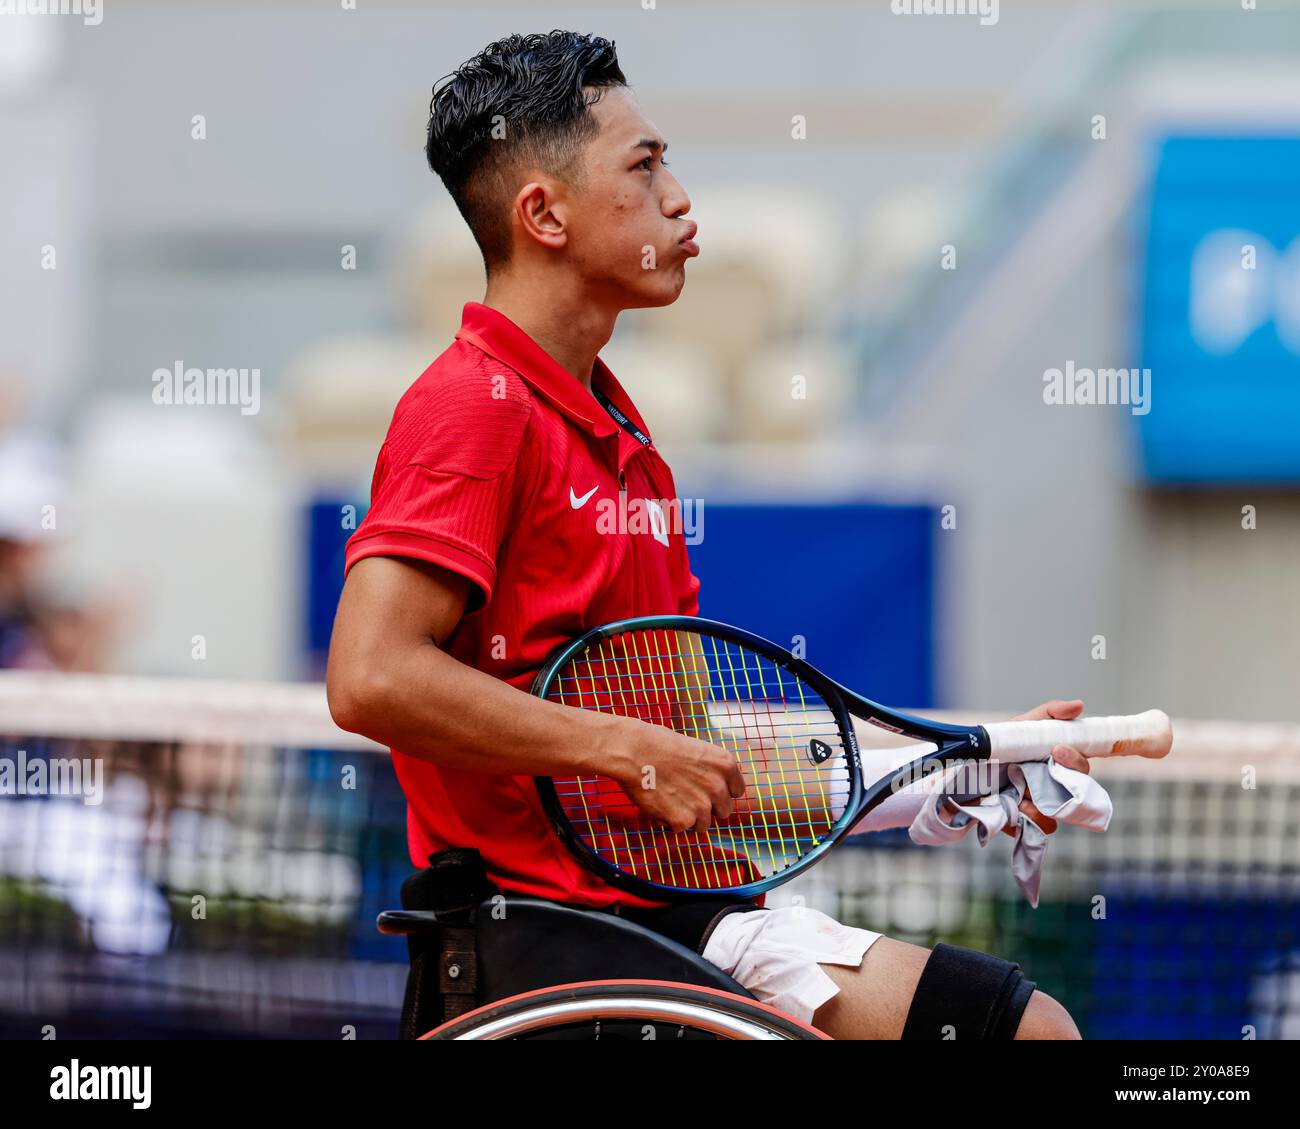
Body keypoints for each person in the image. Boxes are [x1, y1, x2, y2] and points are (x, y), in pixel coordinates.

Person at [327, 30, 1082, 1039]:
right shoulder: (473, 405)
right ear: (542, 213)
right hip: (556, 942)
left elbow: (689, 759)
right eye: (642, 168)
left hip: (680, 910)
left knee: (1031, 1032)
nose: (679, 199)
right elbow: (369, 675)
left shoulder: (624, 434)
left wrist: (938, 777)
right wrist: (620, 747)